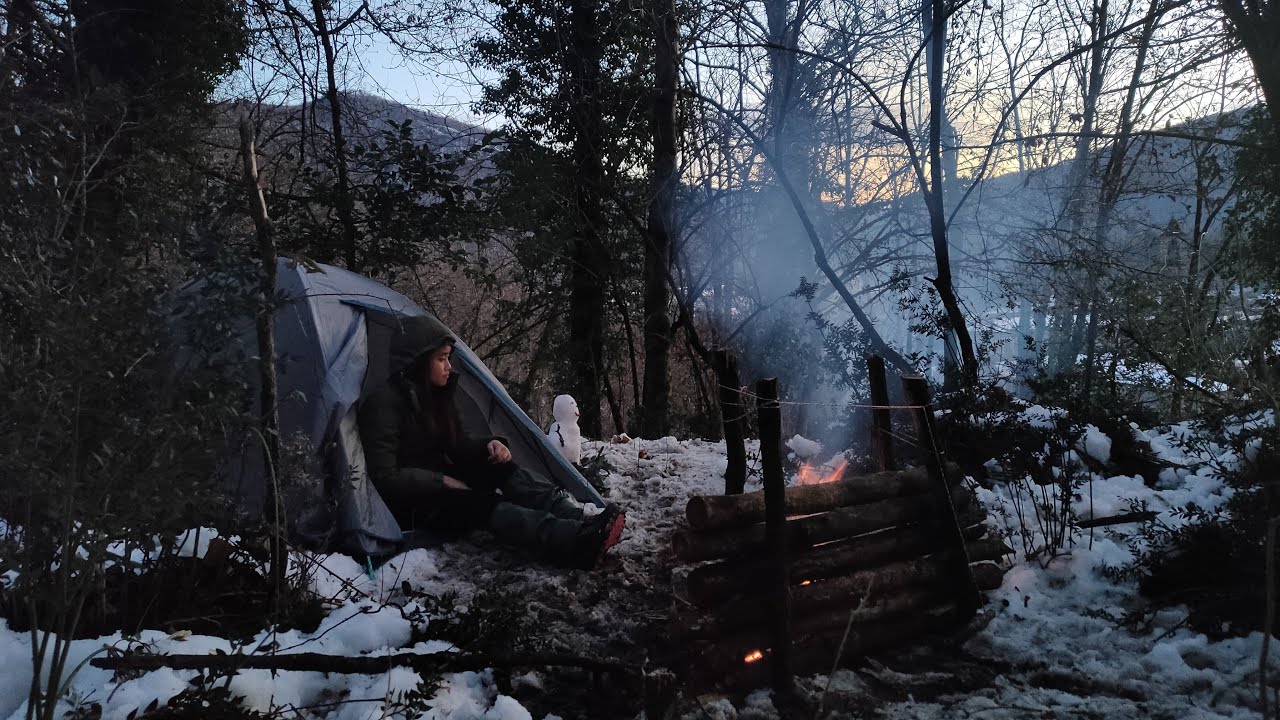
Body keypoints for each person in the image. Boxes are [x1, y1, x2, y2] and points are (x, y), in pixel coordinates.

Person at [358, 314, 625, 569]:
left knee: (497, 465)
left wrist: (490, 445)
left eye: (448, 359)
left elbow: (457, 444)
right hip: (416, 503)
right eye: (441, 359)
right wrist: (440, 481)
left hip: (440, 482)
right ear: (417, 362)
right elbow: (385, 477)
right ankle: (572, 541)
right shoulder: (384, 404)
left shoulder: (434, 395)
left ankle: (579, 520)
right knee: (481, 503)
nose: (449, 367)